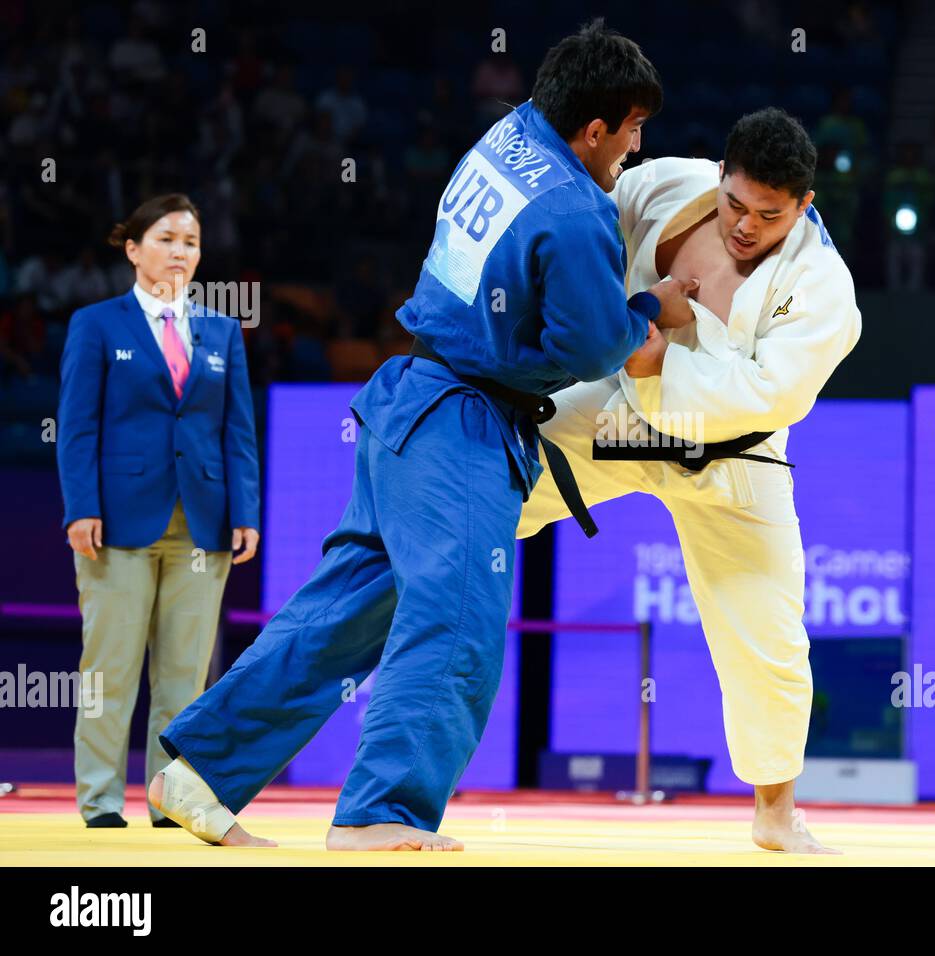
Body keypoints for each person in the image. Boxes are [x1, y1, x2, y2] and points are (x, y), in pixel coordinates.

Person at [150, 21, 696, 851]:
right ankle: (381, 812)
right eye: (631, 129)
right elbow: (591, 347)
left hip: (406, 402)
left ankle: (199, 771)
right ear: (595, 128)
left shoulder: (504, 139)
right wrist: (652, 307)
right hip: (461, 428)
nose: (634, 146)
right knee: (459, 617)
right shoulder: (575, 209)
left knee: (344, 614)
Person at [516, 108, 862, 853]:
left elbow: (764, 399)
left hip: (736, 459)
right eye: (735, 203)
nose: (744, 225)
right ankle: (412, 556)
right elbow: (587, 227)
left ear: (804, 206)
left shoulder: (823, 288)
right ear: (721, 175)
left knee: (767, 635)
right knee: (500, 474)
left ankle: (776, 811)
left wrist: (649, 359)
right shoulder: (673, 186)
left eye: (769, 215)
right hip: (629, 427)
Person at [56, 193, 260, 828]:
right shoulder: (96, 324)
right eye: (168, 238)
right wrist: (80, 508)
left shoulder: (223, 330)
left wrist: (245, 510)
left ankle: (169, 800)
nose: (181, 252)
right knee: (109, 668)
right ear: (133, 248)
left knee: (185, 674)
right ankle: (99, 802)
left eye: (191, 242)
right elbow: (76, 427)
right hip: (115, 520)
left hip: (203, 521)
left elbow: (237, 432)